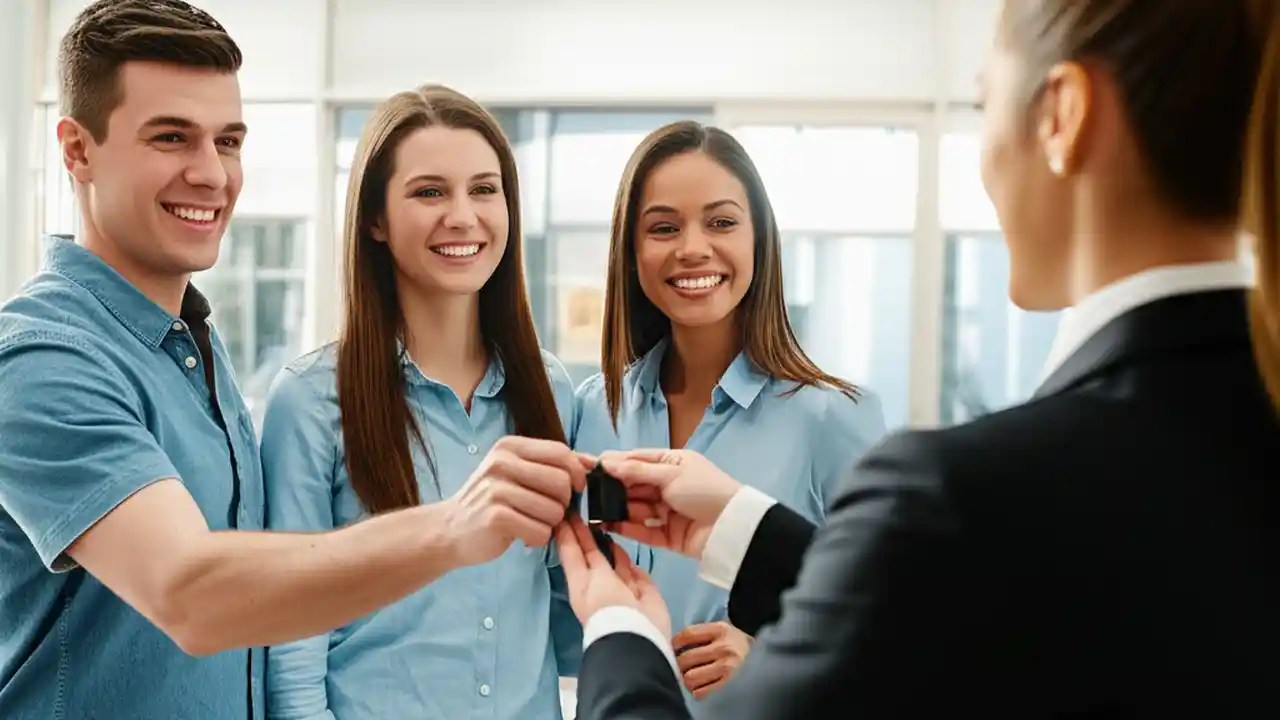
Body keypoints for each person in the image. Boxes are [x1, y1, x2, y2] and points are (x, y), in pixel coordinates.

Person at [559, 0, 1280, 717]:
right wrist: (745, 525)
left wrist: (619, 625)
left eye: (982, 103)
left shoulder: (956, 492)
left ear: (1062, 113)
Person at [0, 4, 579, 719]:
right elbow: (192, 594)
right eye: (171, 137)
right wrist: (455, 526)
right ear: (77, 150)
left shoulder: (192, 355)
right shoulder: (44, 360)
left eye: (229, 140)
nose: (211, 173)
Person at [259, 84, 582, 720]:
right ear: (375, 220)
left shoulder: (550, 392)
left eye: (484, 190)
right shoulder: (311, 400)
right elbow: (291, 637)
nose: (462, 215)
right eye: (429, 192)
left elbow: (559, 606)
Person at [572, 120, 885, 702]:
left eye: (721, 222)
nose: (693, 247)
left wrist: (765, 657)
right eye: (664, 227)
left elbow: (889, 624)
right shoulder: (594, 411)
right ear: (631, 252)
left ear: (757, 241)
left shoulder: (830, 418)